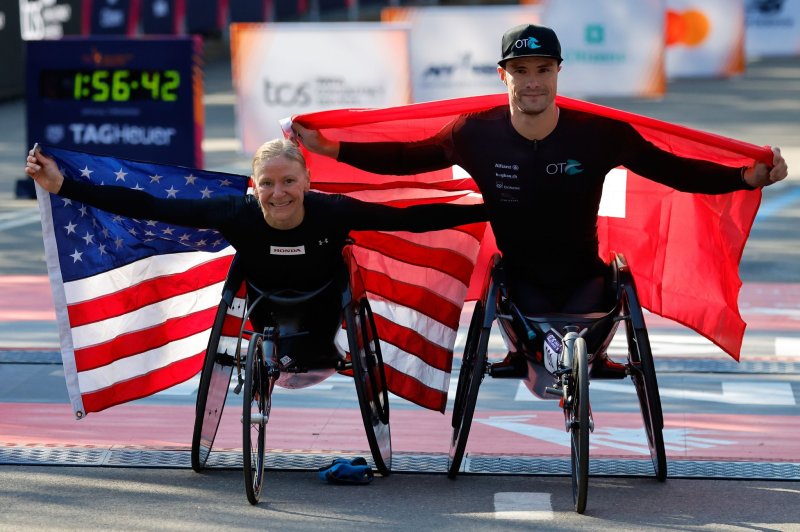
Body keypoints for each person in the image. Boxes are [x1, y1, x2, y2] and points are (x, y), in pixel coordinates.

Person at [291, 23, 788, 374]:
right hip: (517, 282)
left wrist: (746, 177)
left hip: (586, 279)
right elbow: (407, 157)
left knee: (584, 333)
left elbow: (673, 170)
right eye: (521, 70)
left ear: (557, 73)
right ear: (502, 75)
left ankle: (585, 358)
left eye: (542, 69)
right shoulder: (474, 133)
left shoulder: (599, 133)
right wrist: (332, 148)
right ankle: (528, 355)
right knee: (532, 334)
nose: (532, 81)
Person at [25, 138, 487, 377]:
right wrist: (64, 186)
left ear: (307, 182)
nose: (277, 192)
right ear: (253, 185)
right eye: (266, 182)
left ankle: (319, 351)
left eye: (288, 182)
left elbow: (407, 220)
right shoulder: (233, 212)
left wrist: (493, 207)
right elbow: (149, 204)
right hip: (262, 303)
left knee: (317, 342)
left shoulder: (332, 211)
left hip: (325, 305)